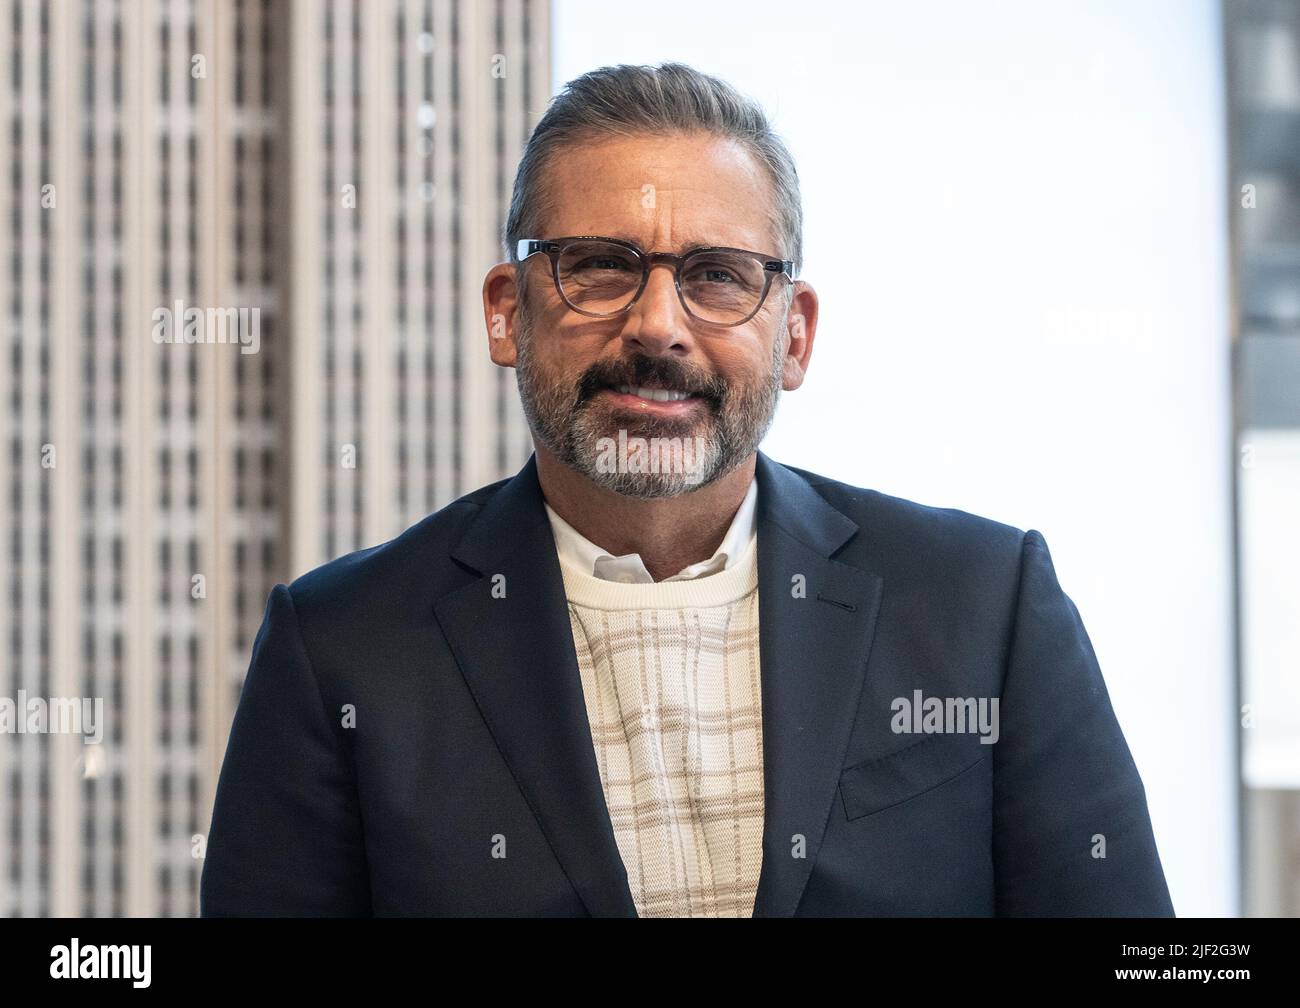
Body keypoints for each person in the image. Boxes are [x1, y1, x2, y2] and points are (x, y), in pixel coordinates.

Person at [200, 62, 1174, 917]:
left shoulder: (984, 606)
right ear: (507, 314)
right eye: (598, 267)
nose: (658, 325)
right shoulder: (339, 649)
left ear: (793, 335)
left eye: (716, 276)